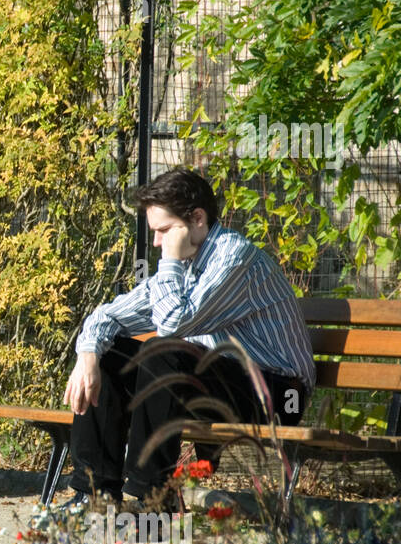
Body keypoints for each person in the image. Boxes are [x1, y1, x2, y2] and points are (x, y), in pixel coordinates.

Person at [61, 166, 316, 512]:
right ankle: (95, 496)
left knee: (162, 352)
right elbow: (108, 315)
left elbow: (172, 324)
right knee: (110, 355)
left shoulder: (234, 258)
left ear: (197, 219)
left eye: (164, 231)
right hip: (222, 381)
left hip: (281, 396)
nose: (156, 242)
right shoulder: (185, 265)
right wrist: (89, 355)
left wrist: (170, 260)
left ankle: (154, 502)